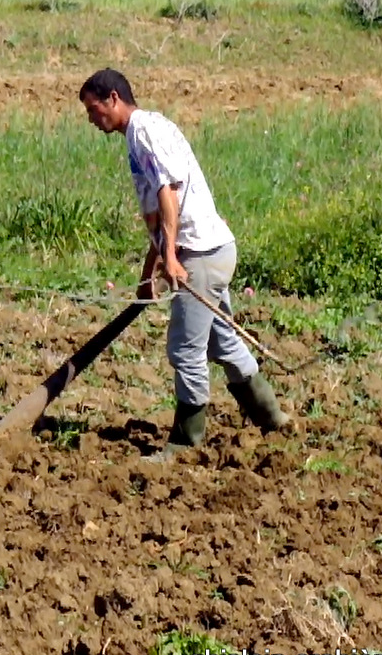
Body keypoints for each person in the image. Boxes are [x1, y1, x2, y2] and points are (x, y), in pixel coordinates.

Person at [78, 68, 290, 461]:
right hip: (211, 249)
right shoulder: (145, 132)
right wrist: (149, 271)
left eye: (93, 110)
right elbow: (158, 216)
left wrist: (173, 258)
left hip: (200, 254)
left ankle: (183, 442)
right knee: (220, 340)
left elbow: (168, 194)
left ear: (112, 99)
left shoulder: (144, 133)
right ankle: (272, 418)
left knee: (185, 349)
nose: (92, 119)